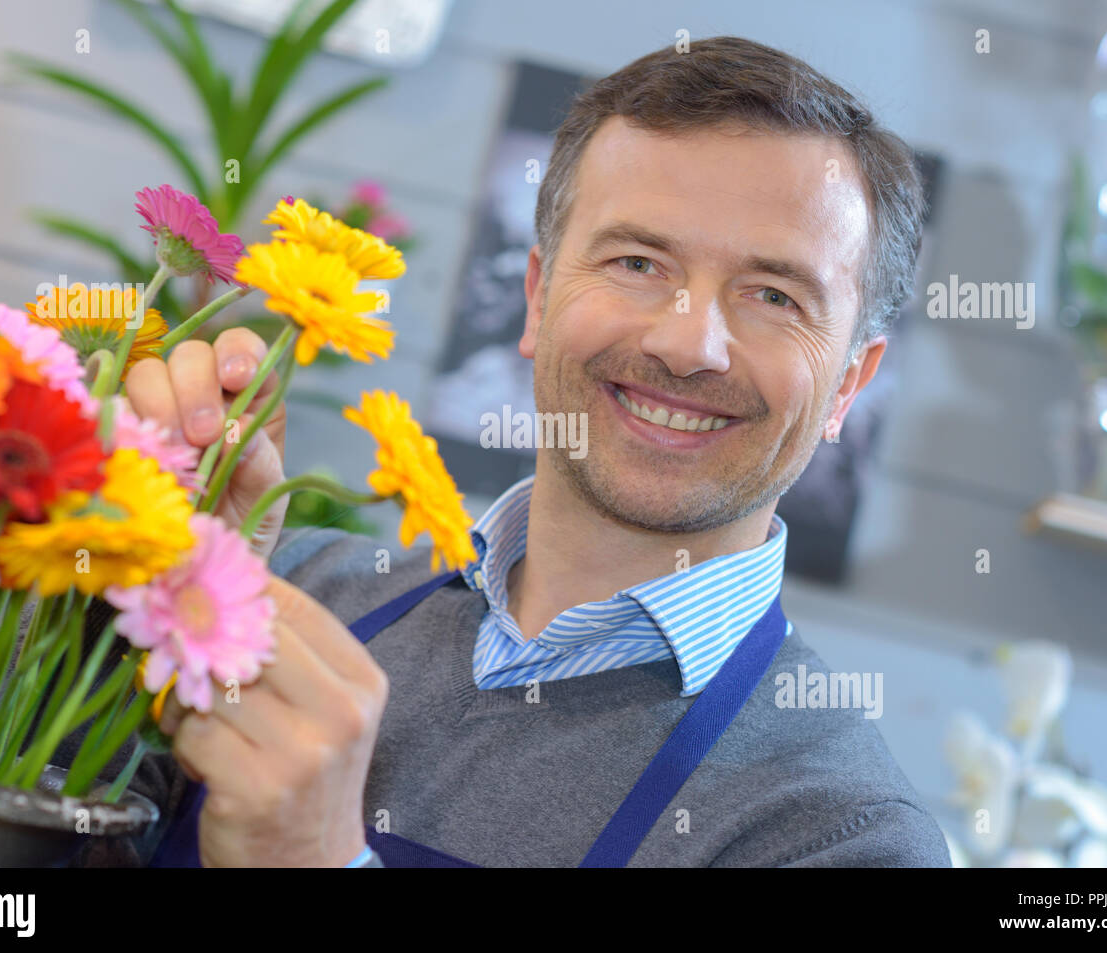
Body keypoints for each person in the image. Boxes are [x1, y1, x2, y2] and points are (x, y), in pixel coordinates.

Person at [117, 35, 952, 867]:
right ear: (538, 296)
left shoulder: (844, 836)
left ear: (849, 383)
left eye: (774, 295)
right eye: (637, 261)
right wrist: (156, 586)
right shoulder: (284, 591)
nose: (690, 343)